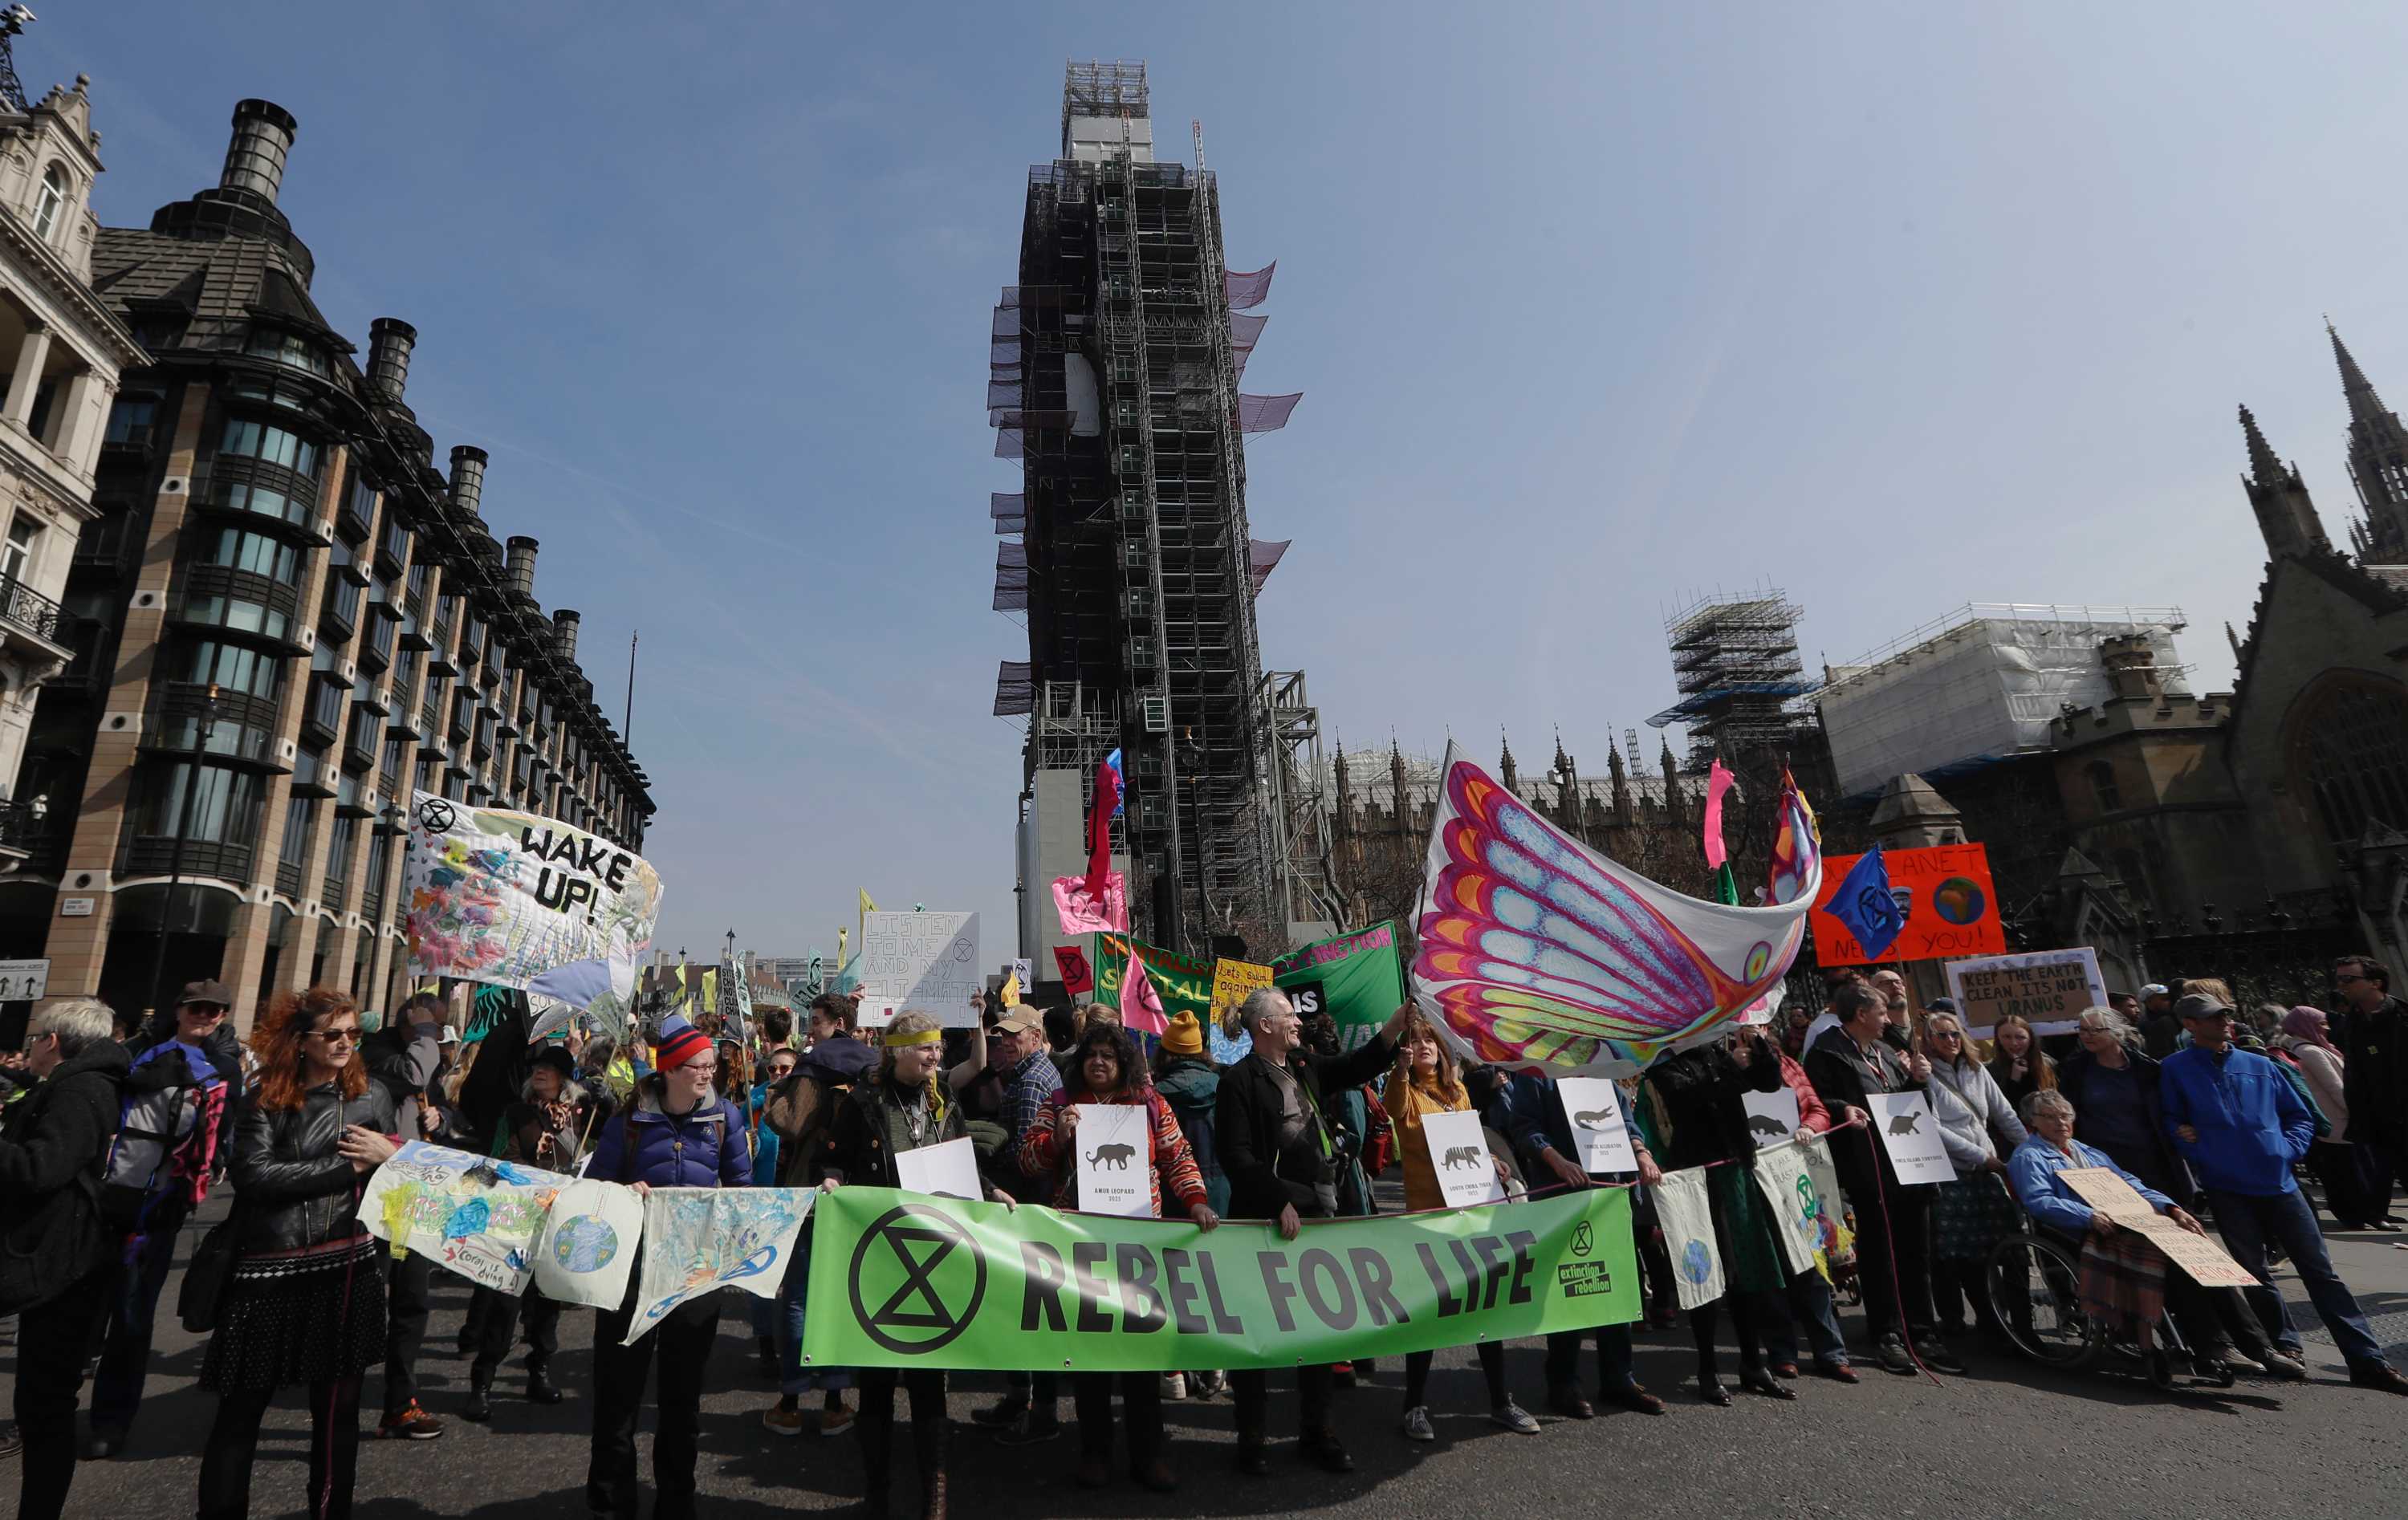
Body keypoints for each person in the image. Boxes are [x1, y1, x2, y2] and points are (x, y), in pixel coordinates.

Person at [197, 987, 400, 1520]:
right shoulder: (265, 1096)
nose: (344, 1043)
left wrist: (396, 1154)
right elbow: (254, 1176)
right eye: (332, 1034)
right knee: (240, 1415)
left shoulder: (371, 1095)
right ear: (301, 1041)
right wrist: (347, 1169)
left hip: (346, 1271)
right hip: (269, 1271)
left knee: (338, 1419)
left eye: (353, 1034)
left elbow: (395, 1173)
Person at [823, 1010, 1016, 1520]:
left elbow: (962, 1160)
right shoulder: (862, 1102)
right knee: (878, 1389)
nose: (936, 1057)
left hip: (933, 1255)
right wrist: (833, 1180)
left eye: (937, 1049)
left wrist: (990, 1190)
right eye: (926, 1049)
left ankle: (935, 1497)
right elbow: (835, 1157)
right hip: (879, 1259)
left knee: (931, 1385)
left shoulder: (942, 1101)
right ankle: (878, 1494)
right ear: (898, 1050)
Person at [2162, 991, 2408, 1393]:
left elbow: (2299, 1115)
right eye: (2214, 1017)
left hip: (2280, 1183)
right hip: (2227, 1188)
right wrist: (2193, 1145)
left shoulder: (2260, 1064)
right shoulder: (2174, 1068)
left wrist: (2286, 1150)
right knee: (2255, 1273)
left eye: (2227, 1014)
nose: (2225, 1022)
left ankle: (2367, 1360)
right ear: (2190, 1025)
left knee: (2321, 1274)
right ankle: (2286, 1347)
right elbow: (2171, 1119)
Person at [1214, 990, 1410, 1474]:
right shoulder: (1239, 1081)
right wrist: (1275, 1200)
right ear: (1264, 1027)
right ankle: (1252, 1437)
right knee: (1257, 1333)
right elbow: (1236, 1154)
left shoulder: (1304, 1066)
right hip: (1267, 1219)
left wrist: (1394, 1024)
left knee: (1319, 1330)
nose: (1297, 1021)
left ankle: (1317, 1430)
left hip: (1321, 1214)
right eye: (1288, 1015)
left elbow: (1355, 1066)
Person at [1019, 1022, 1217, 1490]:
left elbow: (1177, 1156)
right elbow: (1027, 1161)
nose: (1099, 1063)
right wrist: (1058, 1140)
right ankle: (1094, 1454)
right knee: (1091, 1359)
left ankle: (1148, 1456)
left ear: (1123, 1061)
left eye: (1109, 1056)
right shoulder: (1060, 1105)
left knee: (1142, 1356)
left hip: (1137, 1246)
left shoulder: (1149, 1104)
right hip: (1080, 1246)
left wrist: (1196, 1201)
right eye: (1091, 1056)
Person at [584, 1014, 753, 1520]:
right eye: (697, 1066)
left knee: (682, 1398)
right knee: (618, 1393)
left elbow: (743, 1192)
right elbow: (595, 1187)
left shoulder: (725, 1119)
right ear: (671, 1070)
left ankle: (677, 1500)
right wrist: (621, 1192)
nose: (708, 1074)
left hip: (693, 1274)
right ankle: (611, 1499)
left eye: (710, 1066)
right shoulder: (628, 1120)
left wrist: (726, 1206)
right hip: (631, 1272)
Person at [2007, 1090, 2293, 1387]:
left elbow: (2132, 1184)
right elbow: (2039, 1201)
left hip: (2130, 1226)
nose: (2060, 1122)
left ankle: (2261, 1348)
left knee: (2205, 1261)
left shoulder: (2088, 1152)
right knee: (2175, 1267)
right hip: (2083, 1233)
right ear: (2033, 1122)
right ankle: (2214, 1347)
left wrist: (2172, 1208)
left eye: (2065, 1115)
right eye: (2049, 1117)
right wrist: (2086, 1214)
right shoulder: (2030, 1157)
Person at [83, 982, 238, 1459]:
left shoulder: (223, 1067)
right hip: (97, 1196)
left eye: (214, 1011)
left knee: (132, 1318)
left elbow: (227, 1135)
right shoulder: (137, 1050)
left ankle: (111, 1420)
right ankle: (45, 1410)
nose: (205, 1016)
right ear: (180, 1009)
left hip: (158, 1206)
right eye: (197, 1008)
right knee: (75, 1311)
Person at [1379, 1009, 1541, 1439]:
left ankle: (1501, 1402)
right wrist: (1398, 1067)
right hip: (1429, 1220)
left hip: (1470, 1215)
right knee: (1429, 1315)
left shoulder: (1458, 1092)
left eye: (1429, 1039)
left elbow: (1469, 1145)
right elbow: (1392, 1105)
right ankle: (1413, 1406)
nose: (1424, 1046)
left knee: (1485, 1308)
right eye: (1415, 1041)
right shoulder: (1406, 1093)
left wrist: (1492, 1162)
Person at [2, 998, 128, 1520]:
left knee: (46, 1406)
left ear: (52, 1041)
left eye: (35, 1038)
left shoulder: (81, 1089)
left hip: (64, 1264)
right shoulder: (84, 1084)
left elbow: (42, 1168)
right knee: (41, 1402)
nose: (30, 1046)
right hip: (60, 1257)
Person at [1805, 981, 1964, 1375]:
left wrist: (1919, 1079)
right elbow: (1813, 1101)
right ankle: (1888, 1334)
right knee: (1881, 1253)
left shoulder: (1887, 1052)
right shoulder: (1827, 1053)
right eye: (1881, 1012)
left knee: (1917, 1251)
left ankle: (1923, 1331)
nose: (1888, 1019)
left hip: (1910, 1163)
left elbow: (1909, 1104)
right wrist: (1843, 1108)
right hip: (1869, 1165)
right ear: (1861, 1015)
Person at [1499, 1065, 1669, 1417]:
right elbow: (1524, 1128)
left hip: (1609, 1197)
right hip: (1564, 1198)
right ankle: (1563, 1384)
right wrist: (1556, 1160)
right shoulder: (1536, 1072)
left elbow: (1624, 1122)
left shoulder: (1598, 1070)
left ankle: (1620, 1378)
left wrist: (1642, 1153)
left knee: (1617, 1289)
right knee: (1571, 1290)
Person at [1638, 1034, 1800, 1404]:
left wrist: (1761, 1052)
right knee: (1708, 1273)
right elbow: (1687, 1098)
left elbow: (1767, 1084)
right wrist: (1733, 1067)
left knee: (1748, 1272)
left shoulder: (1716, 1051)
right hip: (1698, 1176)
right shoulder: (1665, 1060)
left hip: (1737, 1168)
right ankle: (1708, 1370)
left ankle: (1753, 1364)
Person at [759, 1005, 875, 1439]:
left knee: (799, 1297)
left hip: (808, 1191)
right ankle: (834, 1402)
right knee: (843, 1294)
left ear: (837, 1024)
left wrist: (776, 1092)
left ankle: (791, 1401)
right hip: (853, 1195)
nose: (811, 1030)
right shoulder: (872, 1065)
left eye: (817, 1021)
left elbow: (790, 1123)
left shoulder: (812, 1067)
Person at [464, 1045, 594, 1421]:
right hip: (518, 1221)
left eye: (550, 1068)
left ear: (565, 1080)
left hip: (557, 1224)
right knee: (504, 1307)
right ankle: (482, 1384)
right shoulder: (516, 1112)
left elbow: (598, 1152)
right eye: (537, 1067)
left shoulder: (581, 1118)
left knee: (547, 1307)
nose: (540, 1073)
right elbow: (501, 1156)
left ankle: (539, 1373)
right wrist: (539, 1182)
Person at [970, 1004, 1070, 1441]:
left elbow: (1030, 1157)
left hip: (1026, 1208)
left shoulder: (1031, 1081)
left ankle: (1036, 1408)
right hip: (1033, 1208)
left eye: (1013, 1036)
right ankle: (1024, 1400)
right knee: (1031, 1312)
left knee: (1029, 1312)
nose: (1005, 1043)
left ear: (1034, 1035)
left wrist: (991, 1145)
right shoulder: (1035, 1073)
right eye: (1001, 1037)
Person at [1742, 1027, 1857, 1382]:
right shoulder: (1727, 1068)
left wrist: (1809, 1125)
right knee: (1774, 1267)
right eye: (1746, 1028)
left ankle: (1831, 1352)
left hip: (1798, 1177)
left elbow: (1819, 1109)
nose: (1753, 1032)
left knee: (1814, 1263)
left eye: (1759, 1026)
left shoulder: (1789, 1064)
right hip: (1756, 1181)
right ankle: (1782, 1353)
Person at [360, 989, 446, 1442]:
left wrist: (440, 1122)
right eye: (432, 1026)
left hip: (413, 1197)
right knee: (365, 1300)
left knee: (413, 1301)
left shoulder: (426, 1055)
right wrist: (427, 1033)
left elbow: (439, 1104)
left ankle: (400, 1403)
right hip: (374, 1197)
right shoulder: (379, 1051)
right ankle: (336, 1396)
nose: (438, 1036)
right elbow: (414, 1072)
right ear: (411, 1022)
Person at [1920, 1010, 2028, 1339]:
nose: (1950, 1041)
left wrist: (2031, 1150)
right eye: (1941, 1035)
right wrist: (1980, 1157)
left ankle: (2015, 1322)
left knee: (2010, 1246)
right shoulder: (1925, 1076)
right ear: (1928, 1040)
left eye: (1954, 1034)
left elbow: (2004, 1113)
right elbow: (1932, 1127)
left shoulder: (1977, 1069)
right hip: (1954, 1172)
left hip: (1989, 1169)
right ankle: (1973, 1318)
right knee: (1962, 1253)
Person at [1150, 1010, 1226, 1401]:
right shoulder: (1225, 1087)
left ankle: (1174, 1371)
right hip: (1220, 1196)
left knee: (1170, 1286)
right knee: (1215, 1285)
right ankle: (1214, 1362)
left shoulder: (1156, 1096)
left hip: (1172, 1195)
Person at [2056, 1007, 2190, 1207]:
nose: (2087, 1036)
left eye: (2095, 1030)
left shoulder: (2147, 1069)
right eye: (2083, 1030)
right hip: (2102, 1161)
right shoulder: (2074, 1070)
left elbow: (2169, 1108)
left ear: (2116, 1032)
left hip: (2150, 1158)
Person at [2276, 1004, 2394, 1230]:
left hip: (2341, 1121)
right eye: (2321, 1023)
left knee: (2354, 1170)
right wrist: (2358, 1113)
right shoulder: (2310, 1052)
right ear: (2306, 1026)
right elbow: (2336, 1088)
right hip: (2340, 1121)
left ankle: (2370, 1213)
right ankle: (2363, 1214)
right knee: (2350, 1173)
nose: (2327, 1028)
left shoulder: (2316, 1049)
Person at [2336, 955, 2408, 1199]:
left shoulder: (2401, 1017)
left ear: (2375, 983)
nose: (2342, 985)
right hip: (2378, 1121)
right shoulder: (2350, 1023)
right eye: (2339, 979)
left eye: (2349, 978)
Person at [1984, 1013, 2056, 1115]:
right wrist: (2014, 1080)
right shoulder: (1990, 1070)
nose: (2014, 1043)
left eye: (2020, 1037)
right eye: (2007, 1037)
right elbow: (1998, 1109)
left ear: (2030, 1039)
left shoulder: (2049, 1065)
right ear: (1998, 1039)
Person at [2138, 984, 2182, 1059]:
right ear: (2149, 1001)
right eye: (2164, 999)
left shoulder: (2173, 1017)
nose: (2169, 1002)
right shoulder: (2153, 1023)